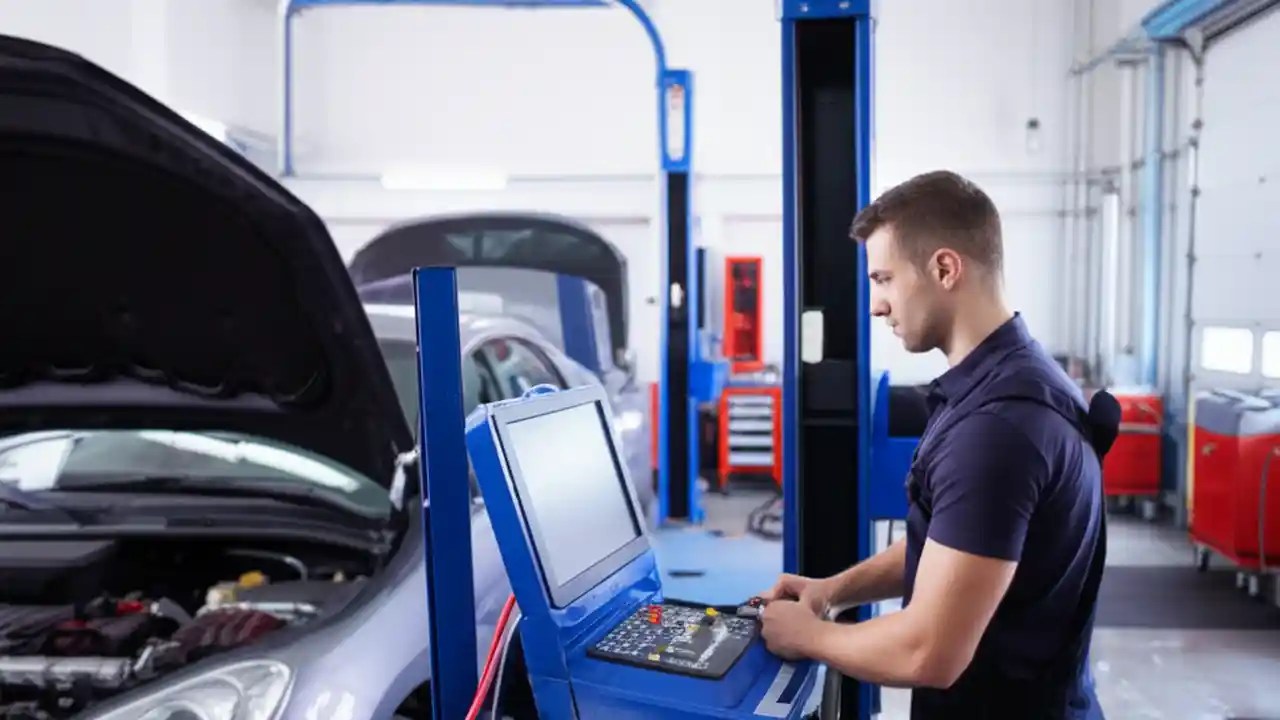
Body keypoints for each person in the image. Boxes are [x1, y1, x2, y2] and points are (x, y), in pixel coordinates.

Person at [757, 170, 1107, 719]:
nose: (876, 305)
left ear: (944, 268)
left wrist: (805, 636)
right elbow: (957, 543)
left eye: (884, 279)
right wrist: (833, 591)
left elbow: (929, 651)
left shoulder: (999, 427)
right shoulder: (1015, 381)